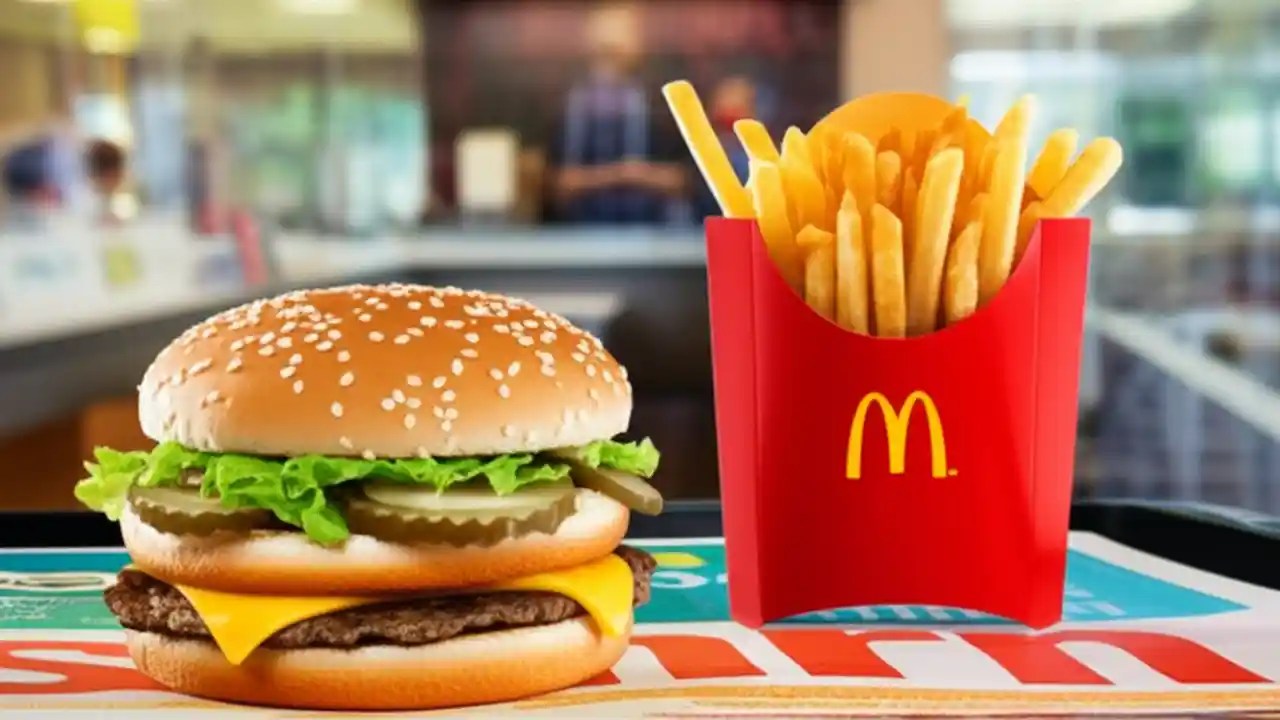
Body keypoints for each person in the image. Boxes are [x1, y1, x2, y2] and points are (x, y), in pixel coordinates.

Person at [553, 3, 686, 224]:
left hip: (654, 237)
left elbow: (682, 181)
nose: (611, 48)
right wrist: (626, 174)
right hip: (575, 237)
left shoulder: (661, 102)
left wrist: (608, 177)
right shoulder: (566, 103)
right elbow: (558, 184)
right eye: (605, 44)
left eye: (623, 35)